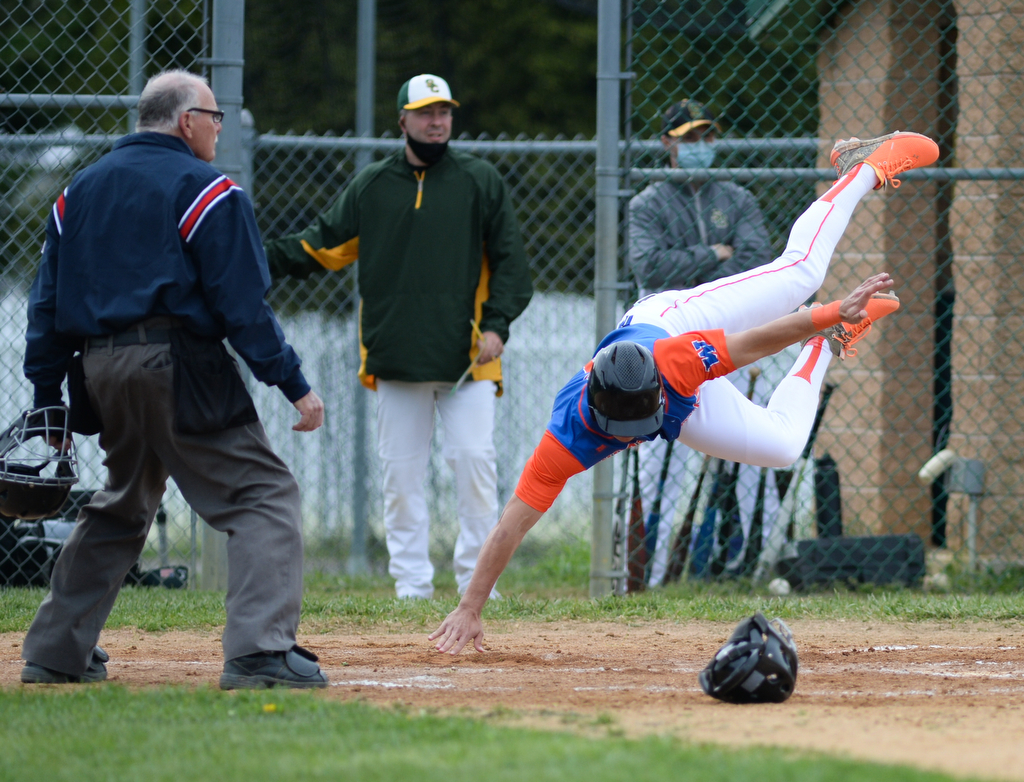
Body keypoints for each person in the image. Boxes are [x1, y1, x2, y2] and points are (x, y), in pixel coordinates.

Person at [429, 129, 940, 654]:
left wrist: (827, 309)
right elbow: (510, 527)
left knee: (800, 275)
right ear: (597, 415)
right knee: (785, 446)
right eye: (624, 431)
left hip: (672, 321)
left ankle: (860, 168)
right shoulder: (567, 437)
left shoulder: (676, 363)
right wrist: (470, 606)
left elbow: (752, 344)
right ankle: (827, 345)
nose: (631, 437)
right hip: (664, 390)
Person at [19, 70, 329, 689]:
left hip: (99, 370)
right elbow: (242, 306)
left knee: (122, 502)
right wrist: (292, 383)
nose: (218, 129)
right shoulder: (207, 190)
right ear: (187, 122)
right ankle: (260, 653)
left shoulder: (77, 192)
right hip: (177, 363)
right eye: (214, 118)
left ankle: (55, 652)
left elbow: (45, 306)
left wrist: (47, 400)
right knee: (263, 496)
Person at [264, 74, 533, 600]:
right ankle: (412, 585)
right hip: (395, 356)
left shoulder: (479, 181)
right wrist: (249, 251)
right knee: (401, 477)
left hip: (469, 358)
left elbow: (512, 265)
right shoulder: (373, 185)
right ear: (403, 121)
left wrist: (497, 324)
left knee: (474, 465)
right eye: (426, 113)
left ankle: (478, 582)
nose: (437, 122)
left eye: (444, 112)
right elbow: (320, 247)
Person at [628, 98, 786, 583]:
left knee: (754, 447)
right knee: (659, 460)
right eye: (689, 138)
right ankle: (647, 572)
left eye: (707, 136)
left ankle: (753, 562)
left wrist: (695, 271)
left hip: (731, 337)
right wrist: (715, 254)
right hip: (670, 343)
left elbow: (756, 262)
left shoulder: (736, 198)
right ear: (668, 143)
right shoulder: (648, 203)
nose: (700, 145)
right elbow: (650, 268)